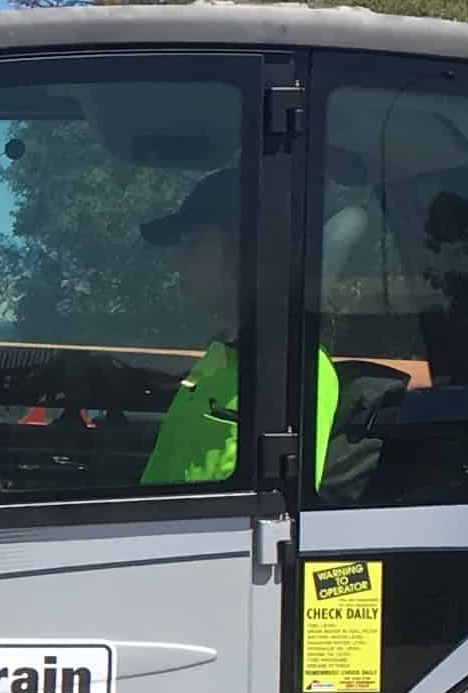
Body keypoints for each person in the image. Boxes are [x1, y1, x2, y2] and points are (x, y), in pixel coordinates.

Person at [140, 168, 340, 487]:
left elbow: (271, 509)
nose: (176, 263)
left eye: (196, 245)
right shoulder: (217, 356)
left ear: (245, 253)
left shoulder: (295, 372)